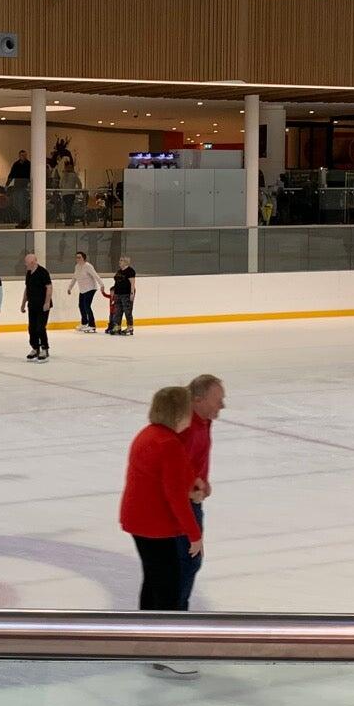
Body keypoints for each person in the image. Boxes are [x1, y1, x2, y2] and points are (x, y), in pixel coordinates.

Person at [119, 384, 204, 678]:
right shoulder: (168, 444)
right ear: (179, 413)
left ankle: (144, 640)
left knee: (154, 581)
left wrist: (191, 480)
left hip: (139, 522)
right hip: (156, 526)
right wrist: (194, 534)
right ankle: (165, 652)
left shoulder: (149, 435)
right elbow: (175, 498)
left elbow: (172, 477)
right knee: (168, 586)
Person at [180, 374, 224, 607]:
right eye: (217, 399)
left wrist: (200, 481)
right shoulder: (186, 426)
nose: (222, 405)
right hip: (181, 504)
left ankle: (173, 617)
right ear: (198, 399)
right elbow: (172, 466)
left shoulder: (203, 420)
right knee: (185, 563)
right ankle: (169, 620)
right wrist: (189, 490)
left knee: (189, 563)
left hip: (192, 499)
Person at [20, 250, 52, 361]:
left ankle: (44, 348)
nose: (25, 264)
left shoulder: (43, 272)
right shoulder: (29, 273)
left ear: (33, 262)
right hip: (32, 305)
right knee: (32, 328)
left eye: (26, 263)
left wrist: (47, 302)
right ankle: (35, 348)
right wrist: (23, 303)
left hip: (43, 306)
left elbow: (49, 287)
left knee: (40, 328)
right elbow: (27, 289)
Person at [67, 250, 101, 333]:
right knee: (81, 306)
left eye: (79, 257)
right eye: (76, 257)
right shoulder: (77, 266)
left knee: (87, 306)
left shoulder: (88, 266)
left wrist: (102, 285)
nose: (77, 259)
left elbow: (95, 275)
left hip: (91, 289)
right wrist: (70, 287)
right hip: (83, 290)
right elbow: (75, 277)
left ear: (84, 258)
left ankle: (92, 325)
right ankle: (84, 323)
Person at [107, 255, 137, 336]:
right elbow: (116, 282)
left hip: (126, 293)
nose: (119, 262)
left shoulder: (130, 271)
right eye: (120, 260)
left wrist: (132, 293)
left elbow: (132, 283)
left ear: (126, 262)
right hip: (118, 294)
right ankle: (117, 326)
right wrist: (113, 291)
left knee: (127, 311)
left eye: (121, 260)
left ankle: (130, 327)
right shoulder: (119, 271)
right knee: (118, 311)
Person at [6, 150, 31, 226]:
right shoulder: (16, 164)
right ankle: (22, 219)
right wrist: (7, 184)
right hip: (17, 186)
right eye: (21, 155)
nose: (23, 157)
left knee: (22, 204)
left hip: (24, 187)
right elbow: (11, 175)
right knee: (15, 203)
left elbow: (31, 175)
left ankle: (24, 220)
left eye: (24, 155)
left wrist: (30, 184)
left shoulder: (29, 164)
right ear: (19, 156)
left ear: (26, 156)